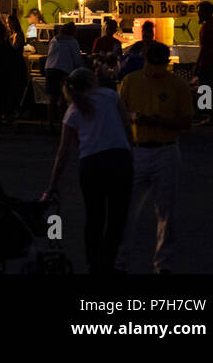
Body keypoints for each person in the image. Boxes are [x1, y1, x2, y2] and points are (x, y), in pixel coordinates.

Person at [43, 67, 133, 274]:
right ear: (93, 80)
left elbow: (64, 152)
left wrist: (53, 185)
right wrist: (131, 154)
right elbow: (127, 126)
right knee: (117, 217)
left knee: (94, 216)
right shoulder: (110, 96)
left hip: (92, 163)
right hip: (119, 158)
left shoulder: (73, 111)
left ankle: (94, 262)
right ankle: (109, 262)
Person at [116, 42, 192, 274]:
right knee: (133, 210)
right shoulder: (133, 82)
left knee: (163, 211)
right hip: (143, 149)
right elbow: (120, 113)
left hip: (162, 149)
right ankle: (124, 261)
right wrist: (134, 117)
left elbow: (186, 122)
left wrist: (156, 121)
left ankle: (161, 263)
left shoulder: (175, 85)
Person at [44, 22, 84, 131]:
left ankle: (50, 123)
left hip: (50, 69)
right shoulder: (72, 42)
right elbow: (77, 59)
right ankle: (63, 124)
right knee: (63, 98)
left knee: (52, 98)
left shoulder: (54, 40)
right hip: (63, 70)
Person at [195, 1, 213, 125]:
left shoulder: (207, 27)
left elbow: (205, 48)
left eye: (200, 11)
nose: (198, 14)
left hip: (208, 63)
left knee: (206, 89)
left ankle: (209, 116)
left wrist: (196, 64)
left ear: (206, 12)